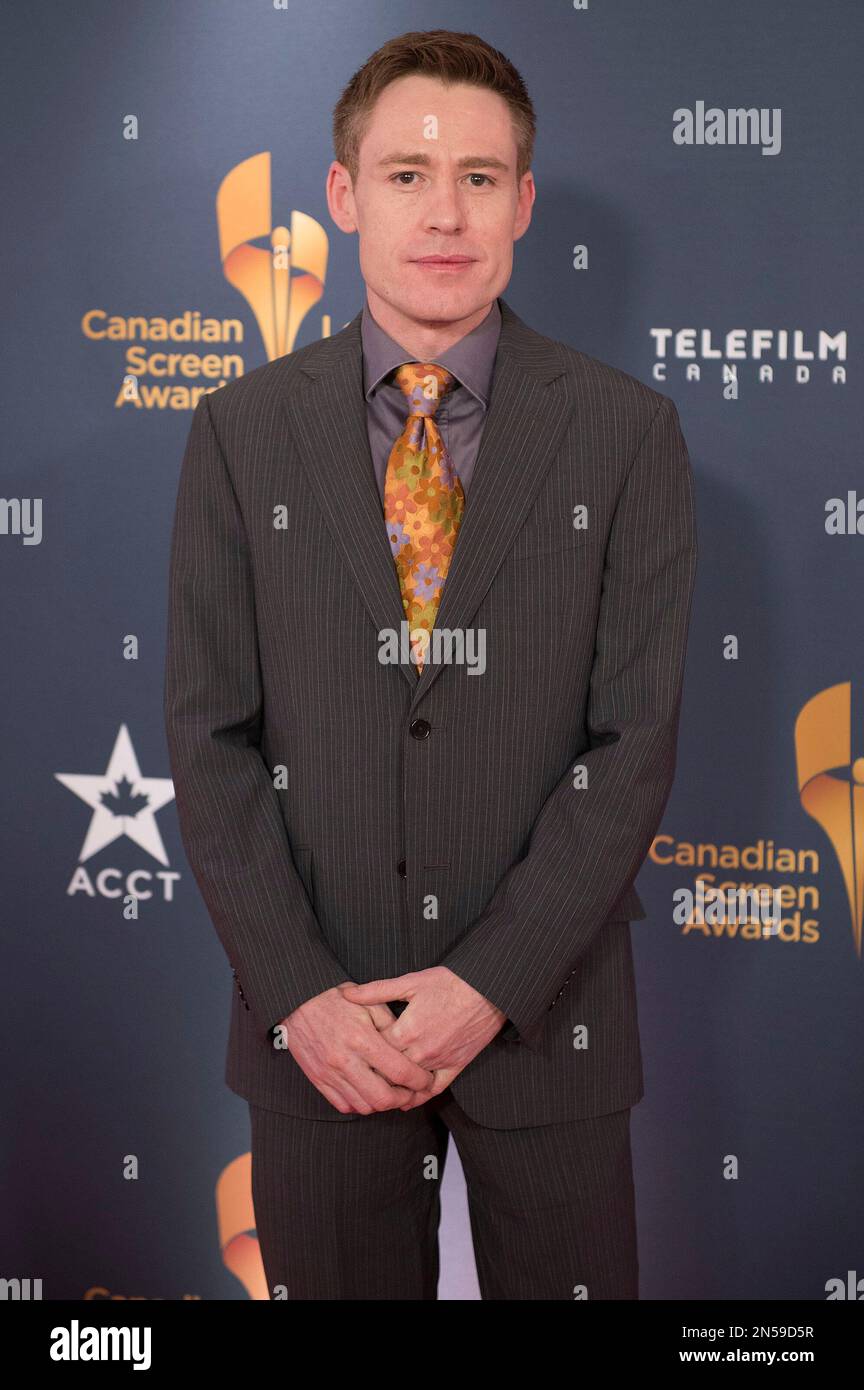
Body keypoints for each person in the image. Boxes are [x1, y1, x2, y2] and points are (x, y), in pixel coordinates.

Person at [164, 28, 697, 1300]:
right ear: (344, 197)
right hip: (319, 1038)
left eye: (477, 175)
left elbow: (631, 749)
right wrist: (302, 997)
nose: (443, 210)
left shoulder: (628, 434)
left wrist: (486, 984)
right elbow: (209, 738)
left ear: (521, 202)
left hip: (547, 1024)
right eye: (406, 174)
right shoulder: (240, 433)